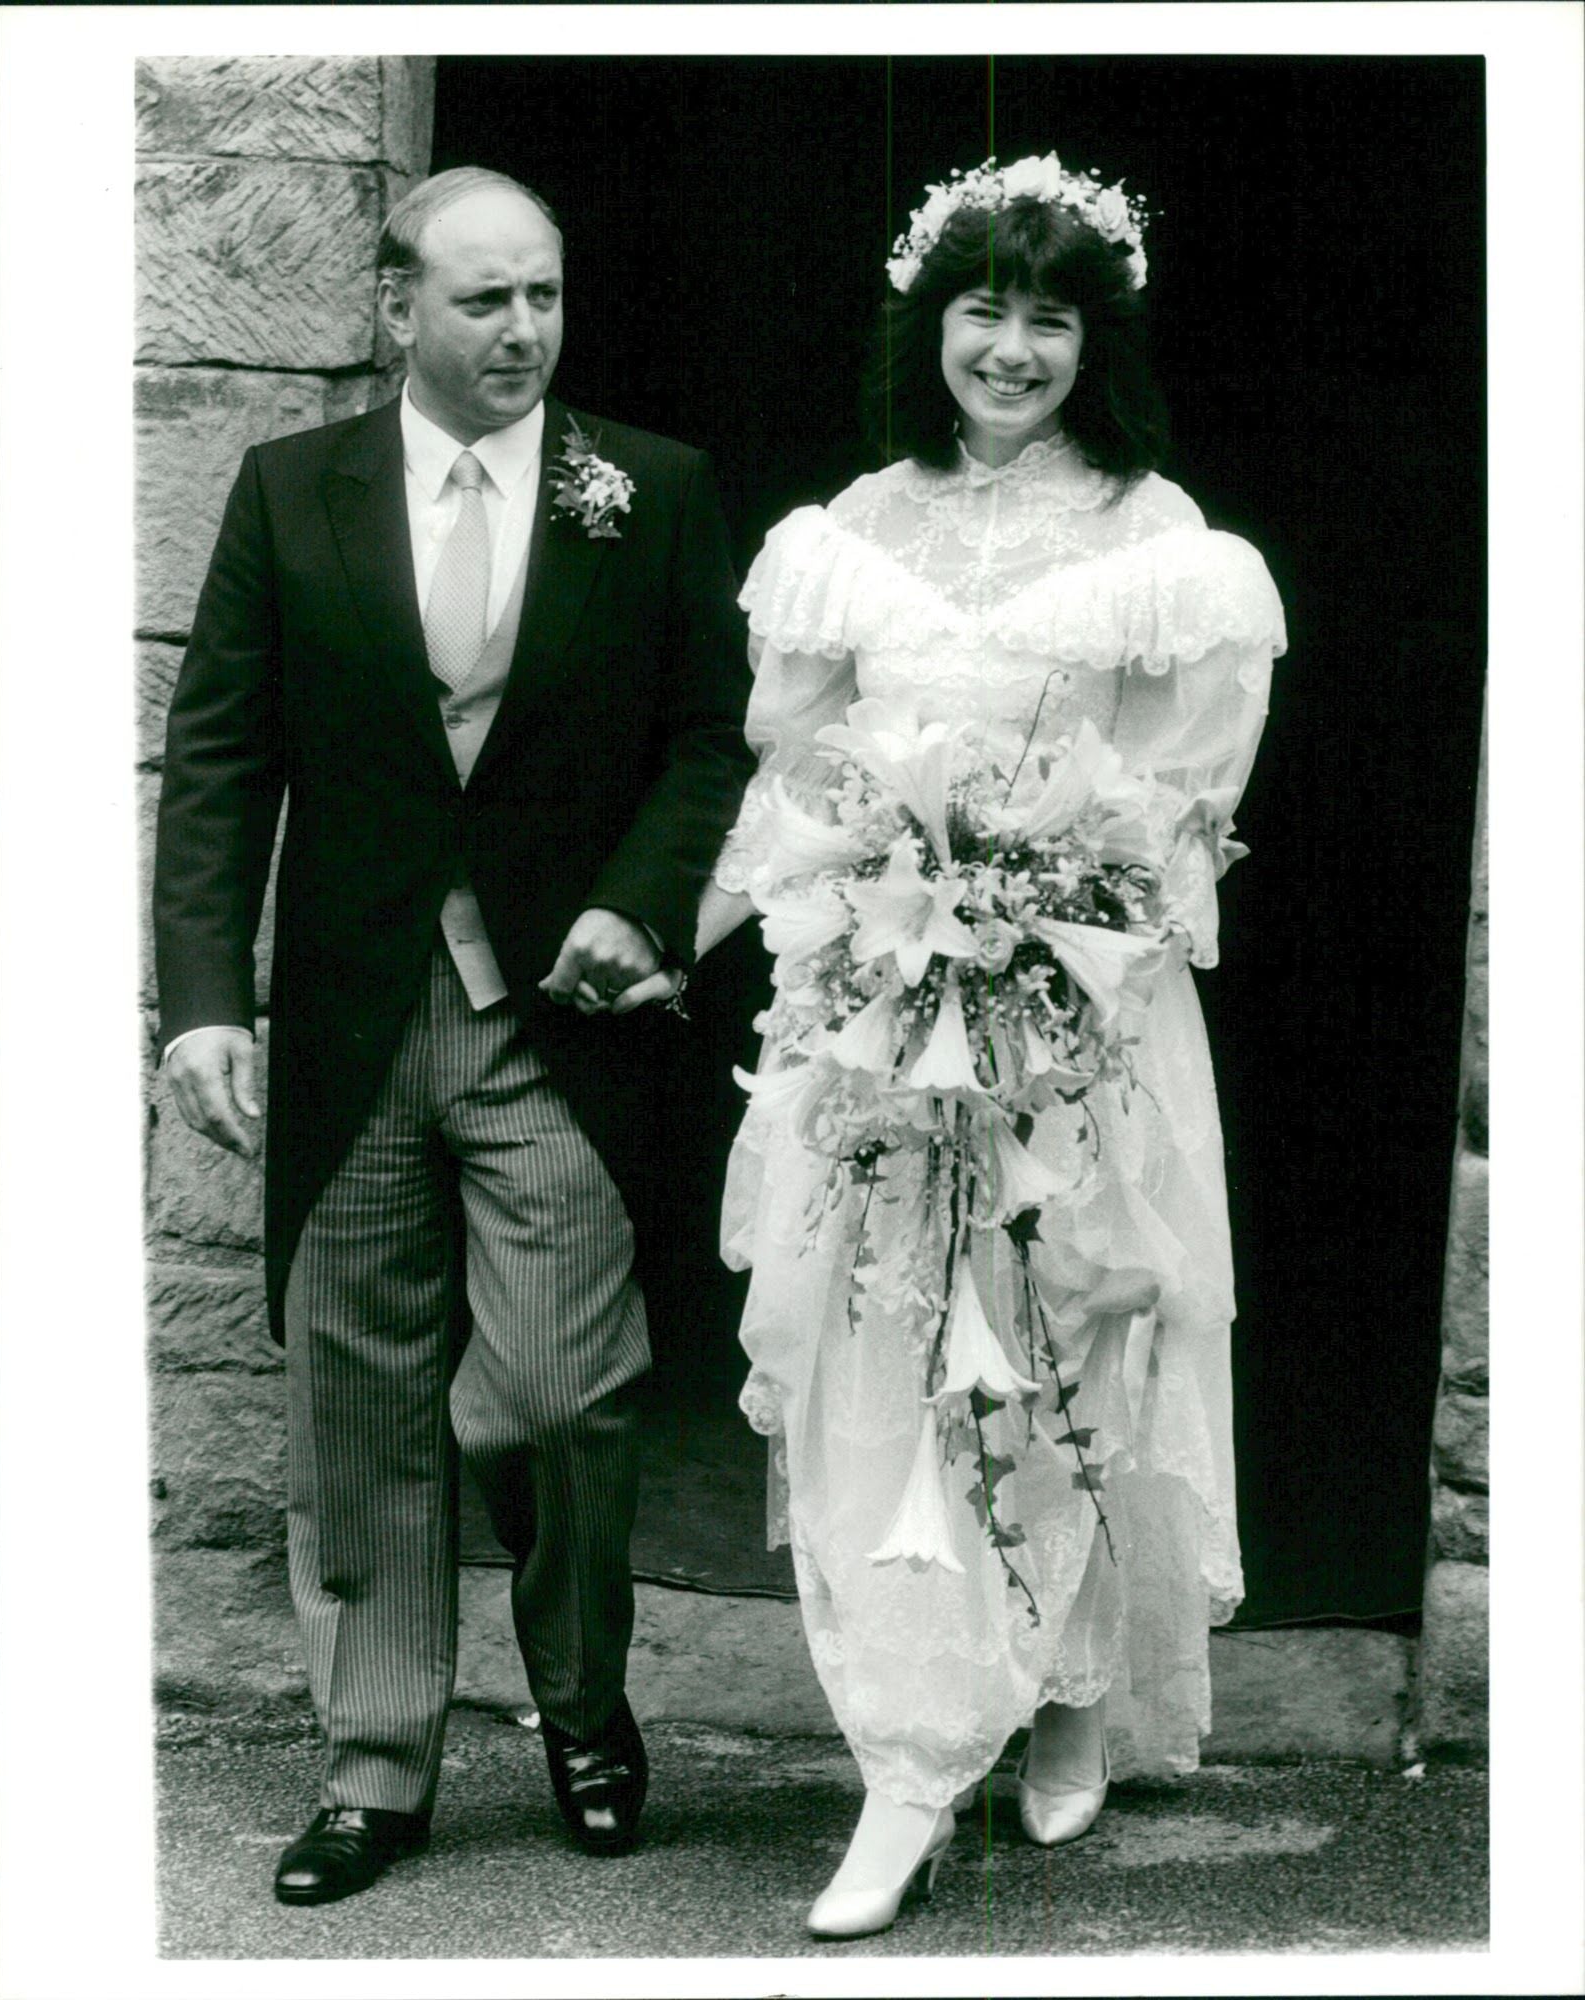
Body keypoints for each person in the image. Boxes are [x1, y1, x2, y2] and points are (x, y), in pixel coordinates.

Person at [696, 151, 1286, 1939]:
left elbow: (1185, 801)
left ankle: (1074, 1688)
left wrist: (1047, 921)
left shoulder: (1160, 543)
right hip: (872, 1007)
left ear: (1089, 339)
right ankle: (907, 1755)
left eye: (1047, 316)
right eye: (983, 309)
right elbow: (789, 767)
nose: (1011, 348)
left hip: (1072, 1016)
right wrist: (788, 917)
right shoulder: (846, 530)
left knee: (1068, 1340)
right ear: (929, 321)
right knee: (880, 1355)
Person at [153, 166, 753, 1904]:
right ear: (393, 308)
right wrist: (203, 1002)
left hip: (552, 1025)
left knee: (565, 1399)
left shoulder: (648, 488)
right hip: (351, 1020)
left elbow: (711, 739)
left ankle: (580, 1699)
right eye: (485, 300)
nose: (521, 331)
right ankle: (376, 1763)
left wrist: (636, 905)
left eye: (543, 297)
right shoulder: (290, 492)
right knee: (354, 1400)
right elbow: (218, 761)